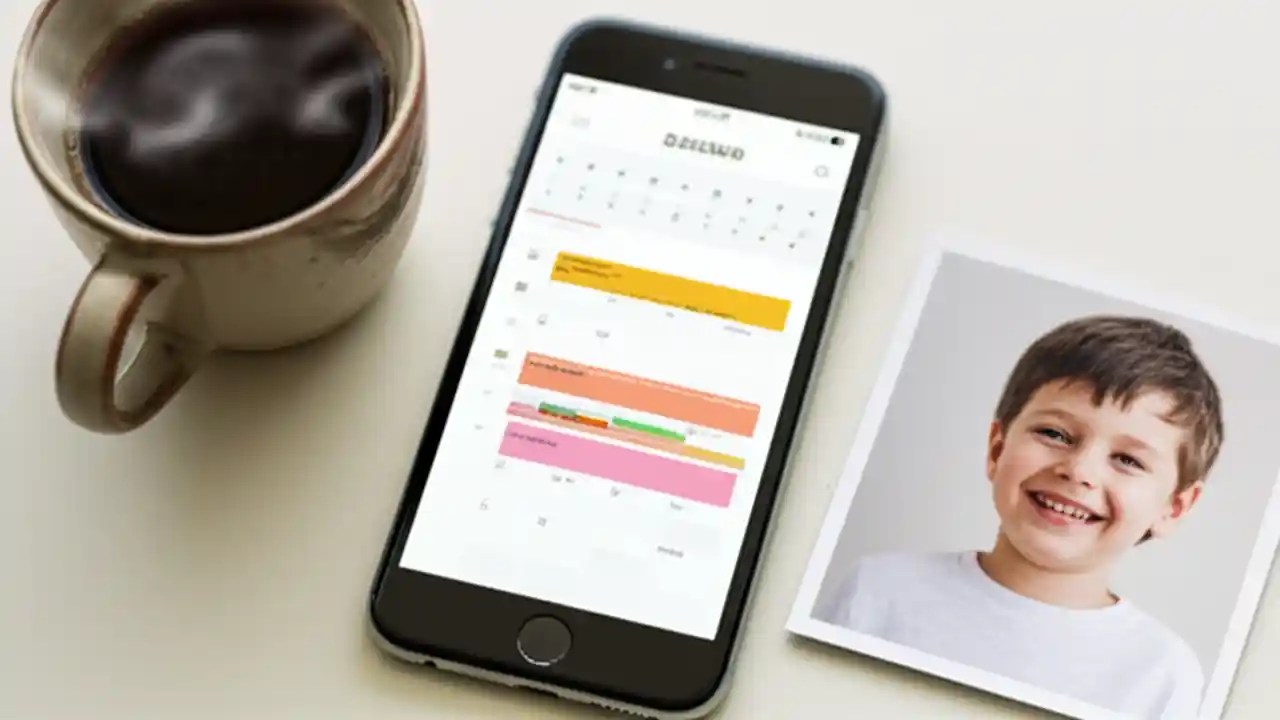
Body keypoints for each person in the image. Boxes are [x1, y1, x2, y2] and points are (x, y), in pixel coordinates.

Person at [829, 315, 1225, 719]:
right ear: (997, 450)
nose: (1079, 471)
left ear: (1172, 508)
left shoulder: (1163, 673)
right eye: (1055, 434)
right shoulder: (878, 591)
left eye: (1127, 460)